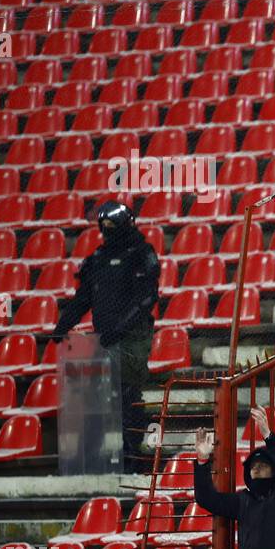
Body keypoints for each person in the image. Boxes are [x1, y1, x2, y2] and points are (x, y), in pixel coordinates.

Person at [51, 201, 160, 471]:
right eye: (104, 227)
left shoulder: (141, 253)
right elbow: (83, 297)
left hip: (133, 337)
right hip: (104, 338)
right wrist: (63, 325)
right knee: (103, 397)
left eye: (112, 226)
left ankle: (135, 456)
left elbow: (146, 297)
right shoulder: (97, 259)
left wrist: (120, 329)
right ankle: (100, 458)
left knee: (128, 394)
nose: (108, 231)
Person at [192, 407, 275, 549]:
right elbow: (206, 498)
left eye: (262, 465)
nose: (256, 468)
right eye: (253, 466)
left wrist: (269, 437)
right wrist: (202, 460)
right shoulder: (243, 500)